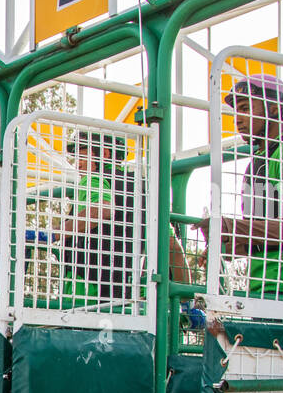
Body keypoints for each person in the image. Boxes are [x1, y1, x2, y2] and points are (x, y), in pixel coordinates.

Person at [206, 73, 283, 301]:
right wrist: (224, 244)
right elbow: (262, 239)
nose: (238, 119)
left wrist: (232, 227)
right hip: (263, 289)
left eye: (245, 108)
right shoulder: (259, 161)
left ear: (274, 109)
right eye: (237, 111)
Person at [57, 129, 187, 307]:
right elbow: (173, 248)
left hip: (87, 294)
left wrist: (52, 234)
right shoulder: (144, 189)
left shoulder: (93, 179)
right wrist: (187, 302)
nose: (77, 165)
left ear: (103, 153)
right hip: (129, 295)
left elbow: (101, 210)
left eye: (81, 157)